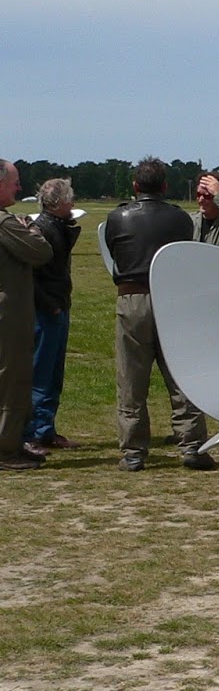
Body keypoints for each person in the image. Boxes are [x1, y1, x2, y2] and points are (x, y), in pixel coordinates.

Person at [103, 158, 215, 472]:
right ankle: (192, 445)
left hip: (132, 298)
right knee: (181, 375)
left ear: (135, 186)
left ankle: (134, 452)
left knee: (131, 379)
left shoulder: (118, 217)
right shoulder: (180, 219)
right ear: (165, 187)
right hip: (172, 299)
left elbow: (114, 252)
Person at [0, 160, 53, 470]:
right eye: (15, 182)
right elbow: (41, 252)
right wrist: (30, 226)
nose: (19, 188)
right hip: (10, 314)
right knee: (13, 378)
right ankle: (6, 448)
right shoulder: (6, 224)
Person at [24, 178, 81, 456]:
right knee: (40, 373)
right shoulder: (42, 229)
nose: (72, 204)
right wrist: (50, 304)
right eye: (69, 199)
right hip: (47, 310)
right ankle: (32, 433)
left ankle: (45, 430)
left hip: (58, 305)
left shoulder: (57, 226)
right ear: (59, 203)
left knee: (54, 373)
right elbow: (31, 276)